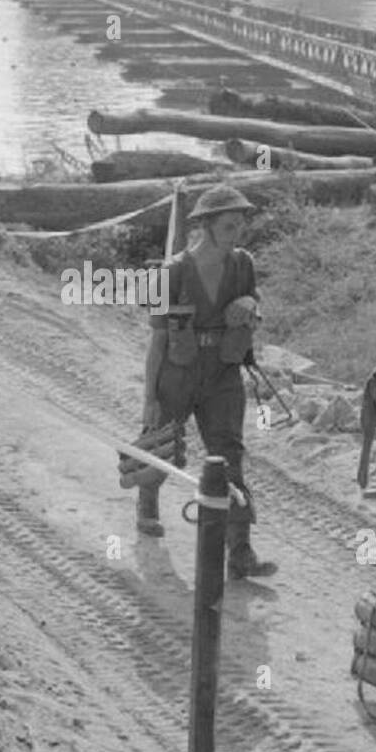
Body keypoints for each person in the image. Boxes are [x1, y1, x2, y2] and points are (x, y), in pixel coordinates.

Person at [139, 184, 277, 579]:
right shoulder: (173, 274)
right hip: (179, 371)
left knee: (228, 456)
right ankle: (147, 502)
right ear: (206, 227)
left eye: (239, 226)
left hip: (223, 372)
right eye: (229, 226)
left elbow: (254, 303)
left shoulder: (242, 264)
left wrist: (251, 305)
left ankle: (240, 550)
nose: (237, 234)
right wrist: (149, 395)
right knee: (162, 441)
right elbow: (158, 339)